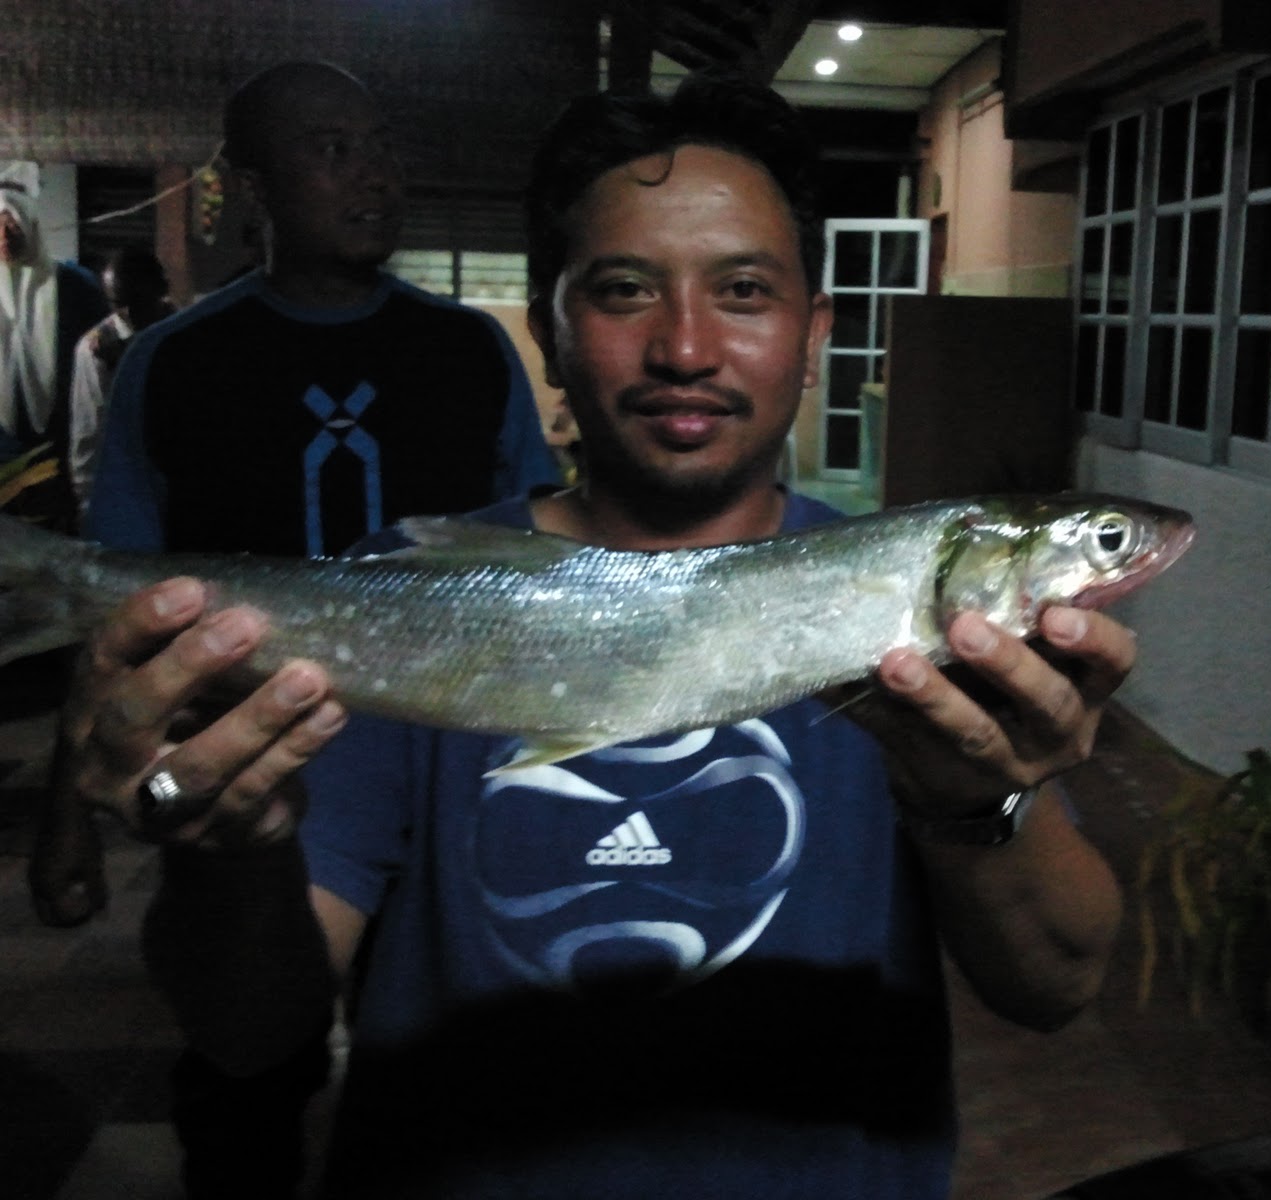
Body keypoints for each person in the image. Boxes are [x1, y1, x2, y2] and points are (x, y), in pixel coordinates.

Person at [58, 74, 1130, 1198]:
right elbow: (248, 1031)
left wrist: (976, 804)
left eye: (745, 291)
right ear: (550, 328)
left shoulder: (910, 614)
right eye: (624, 290)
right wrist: (231, 851)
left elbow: (1057, 985)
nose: (684, 346)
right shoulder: (401, 595)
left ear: (814, 332)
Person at [31, 58, 559, 1191]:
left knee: (438, 1043)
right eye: (330, 149)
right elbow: (116, 607)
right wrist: (66, 822)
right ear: (253, 187)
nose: (373, 173)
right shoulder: (173, 365)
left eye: (381, 147)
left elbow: (538, 560)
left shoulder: (468, 351)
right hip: (246, 775)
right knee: (241, 1074)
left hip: (441, 762)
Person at [0, 183, 109, 528]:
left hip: (61, 442)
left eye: (13, 225)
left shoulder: (74, 285)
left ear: (31, 227)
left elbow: (100, 353)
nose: (4, 236)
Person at [67, 247, 178, 522]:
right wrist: (87, 505)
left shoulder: (186, 335)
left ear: (161, 288)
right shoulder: (94, 350)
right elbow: (88, 434)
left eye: (137, 300)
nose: (126, 313)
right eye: (117, 303)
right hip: (125, 494)